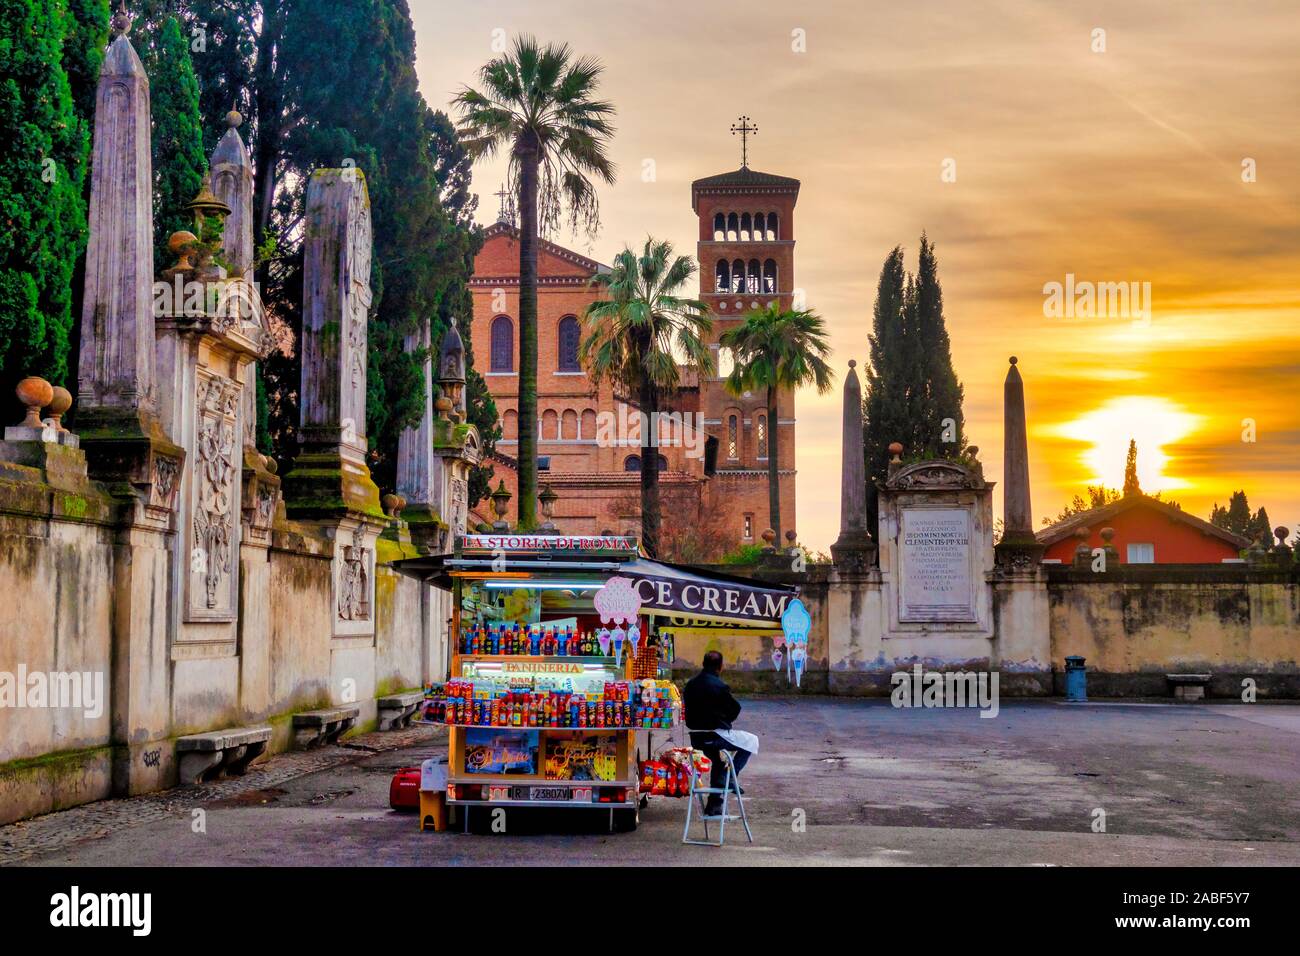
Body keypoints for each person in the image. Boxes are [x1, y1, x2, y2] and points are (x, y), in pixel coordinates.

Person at [684, 650, 758, 816]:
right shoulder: (719, 686)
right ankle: (730, 775)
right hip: (716, 736)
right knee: (751, 741)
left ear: (703, 664)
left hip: (696, 737)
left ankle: (715, 805)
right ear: (720, 667)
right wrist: (724, 719)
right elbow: (734, 709)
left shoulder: (690, 685)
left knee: (718, 760)